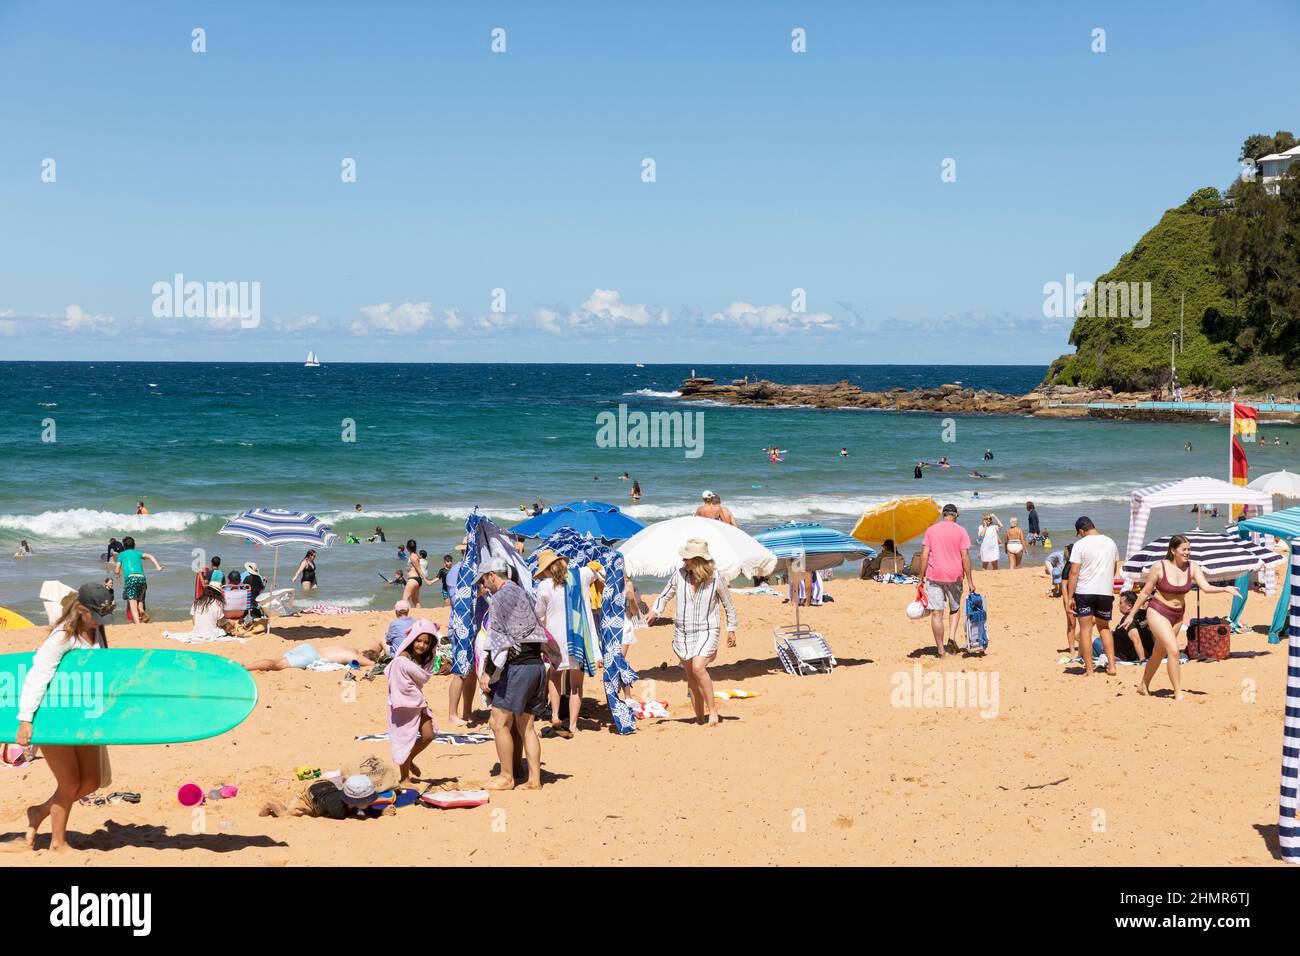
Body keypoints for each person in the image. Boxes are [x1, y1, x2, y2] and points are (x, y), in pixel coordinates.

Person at [17, 583, 115, 852]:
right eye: (97, 615)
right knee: (70, 783)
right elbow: (37, 675)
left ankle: (38, 812)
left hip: (83, 717)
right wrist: (26, 719)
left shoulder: (98, 632)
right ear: (82, 610)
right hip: (53, 716)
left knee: (91, 781)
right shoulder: (62, 637)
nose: (101, 621)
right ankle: (57, 842)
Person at [1119, 534, 1243, 700]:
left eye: (1189, 549)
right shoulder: (1159, 567)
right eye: (1184, 549)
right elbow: (1144, 593)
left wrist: (1225, 588)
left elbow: (1205, 587)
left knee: (1158, 653)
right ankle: (1178, 693)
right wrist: (1131, 615)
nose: (1187, 552)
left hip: (1177, 615)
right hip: (1157, 611)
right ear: (1173, 550)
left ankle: (1143, 685)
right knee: (1173, 650)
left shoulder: (1193, 567)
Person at [476, 557, 556, 790]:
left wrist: (487, 673)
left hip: (518, 667)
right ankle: (533, 780)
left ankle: (507, 777)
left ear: (492, 575)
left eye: (483, 579)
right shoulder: (522, 593)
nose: (483, 584)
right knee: (526, 726)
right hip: (537, 666)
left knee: (497, 722)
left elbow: (498, 642)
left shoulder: (499, 598)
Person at [647, 538, 738, 727]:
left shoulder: (716, 578)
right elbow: (665, 595)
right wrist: (655, 610)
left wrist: (731, 630)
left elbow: (729, 606)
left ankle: (713, 712)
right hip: (683, 633)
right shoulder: (679, 575)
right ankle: (699, 718)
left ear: (698, 559)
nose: (683, 561)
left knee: (698, 668)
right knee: (691, 676)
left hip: (707, 630)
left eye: (687, 558)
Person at [533, 549, 601, 739]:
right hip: (579, 638)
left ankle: (555, 715)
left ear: (546, 570)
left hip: (556, 640)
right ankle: (573, 724)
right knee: (576, 685)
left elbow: (539, 613)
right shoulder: (580, 576)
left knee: (554, 677)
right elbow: (600, 570)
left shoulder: (545, 586)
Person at [1065, 516, 1120, 677]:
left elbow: (1074, 572)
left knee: (1085, 630)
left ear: (1081, 531)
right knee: (1105, 628)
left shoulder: (1080, 545)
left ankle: (1089, 670)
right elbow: (1114, 568)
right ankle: (1112, 666)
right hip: (1105, 591)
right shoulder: (1111, 542)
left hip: (1085, 591)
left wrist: (1070, 597)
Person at [916, 504, 974, 657]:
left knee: (936, 613)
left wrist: (920, 577)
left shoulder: (931, 530)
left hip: (934, 575)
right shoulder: (961, 531)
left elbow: (924, 556)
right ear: (955, 515)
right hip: (954, 576)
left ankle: (940, 650)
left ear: (943, 515)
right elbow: (965, 557)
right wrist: (970, 580)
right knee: (954, 608)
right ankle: (952, 638)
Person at [387, 620, 440, 783]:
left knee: (428, 734)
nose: (422, 645)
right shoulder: (401, 660)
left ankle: (409, 761)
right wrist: (412, 699)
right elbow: (399, 686)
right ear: (413, 639)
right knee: (405, 739)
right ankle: (404, 778)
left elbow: (422, 678)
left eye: (426, 643)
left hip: (417, 703)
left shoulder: (424, 659)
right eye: (419, 640)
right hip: (402, 705)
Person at [113, 535, 164, 625]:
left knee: (132, 603)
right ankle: (141, 610)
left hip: (131, 578)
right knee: (140, 599)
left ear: (124, 546)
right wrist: (158, 567)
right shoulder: (138, 553)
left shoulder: (121, 554)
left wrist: (117, 573)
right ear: (134, 545)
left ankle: (138, 624)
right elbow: (150, 556)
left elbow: (117, 569)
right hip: (141, 578)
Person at [246, 642, 379, 672]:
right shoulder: (353, 655)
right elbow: (371, 664)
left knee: (277, 661)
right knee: (276, 665)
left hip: (308, 648)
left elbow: (372, 646)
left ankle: (248, 665)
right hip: (311, 656)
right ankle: (246, 668)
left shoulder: (351, 649)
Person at [1108, 591, 1153, 663]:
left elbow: (1136, 639)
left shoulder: (1128, 620)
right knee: (1109, 633)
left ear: (1129, 606)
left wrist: (1143, 660)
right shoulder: (1145, 614)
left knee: (1091, 638)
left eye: (1120, 603)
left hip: (1118, 653)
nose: (1118, 605)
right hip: (1138, 650)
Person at [401, 539, 426, 608]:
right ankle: (419, 614)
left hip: (413, 579)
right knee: (415, 600)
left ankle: (407, 617)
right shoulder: (416, 555)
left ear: (407, 548)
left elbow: (419, 569)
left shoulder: (412, 557)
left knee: (405, 599)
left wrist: (426, 580)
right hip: (417, 580)